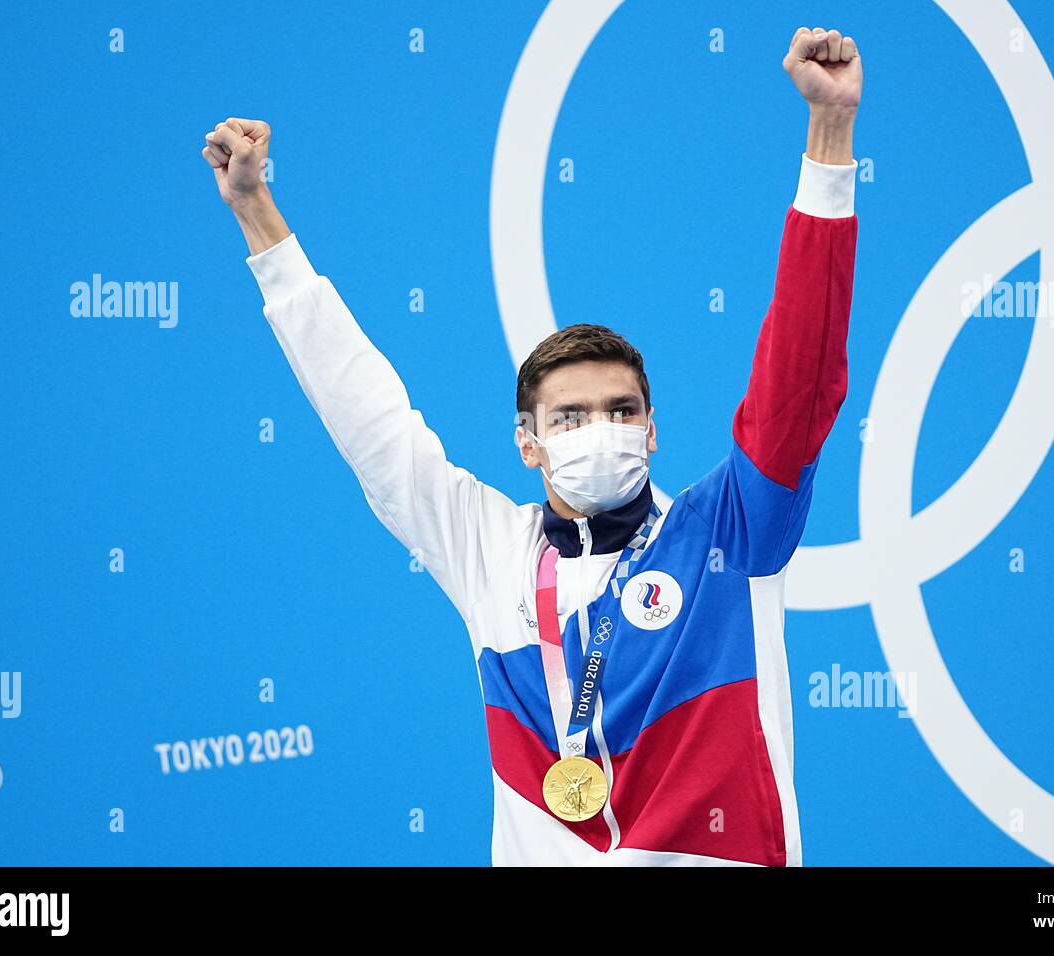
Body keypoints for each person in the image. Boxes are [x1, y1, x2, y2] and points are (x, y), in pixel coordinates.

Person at [201, 25, 860, 866]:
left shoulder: (730, 531)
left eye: (622, 411)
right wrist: (258, 217)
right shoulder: (486, 549)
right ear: (528, 445)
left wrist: (829, 139)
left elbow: (799, 380)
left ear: (653, 432)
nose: (603, 432)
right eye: (571, 417)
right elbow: (364, 415)